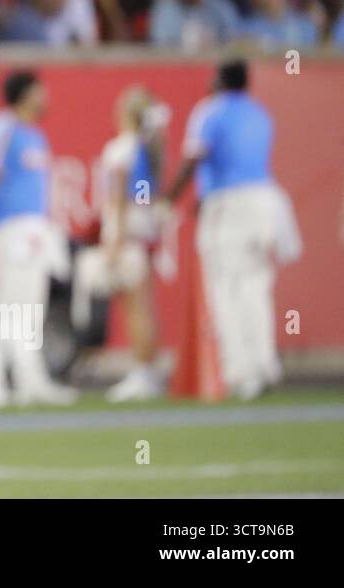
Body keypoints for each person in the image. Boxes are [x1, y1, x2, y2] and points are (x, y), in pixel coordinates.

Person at [166, 59, 300, 399]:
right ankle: (265, 363)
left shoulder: (210, 111)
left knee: (226, 289)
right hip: (264, 203)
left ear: (219, 80)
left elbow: (195, 158)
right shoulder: (260, 114)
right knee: (256, 287)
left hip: (229, 207)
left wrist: (168, 198)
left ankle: (241, 371)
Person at [0, 70, 77, 408]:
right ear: (25, 94)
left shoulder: (36, 135)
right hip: (4, 230)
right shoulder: (4, 126)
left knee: (29, 307)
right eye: (40, 91)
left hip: (32, 232)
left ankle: (31, 379)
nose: (46, 98)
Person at [98, 86, 170, 401]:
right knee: (145, 304)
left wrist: (115, 238)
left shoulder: (122, 149)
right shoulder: (147, 147)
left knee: (134, 306)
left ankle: (142, 371)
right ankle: (149, 370)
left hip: (128, 230)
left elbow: (119, 197)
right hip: (146, 228)